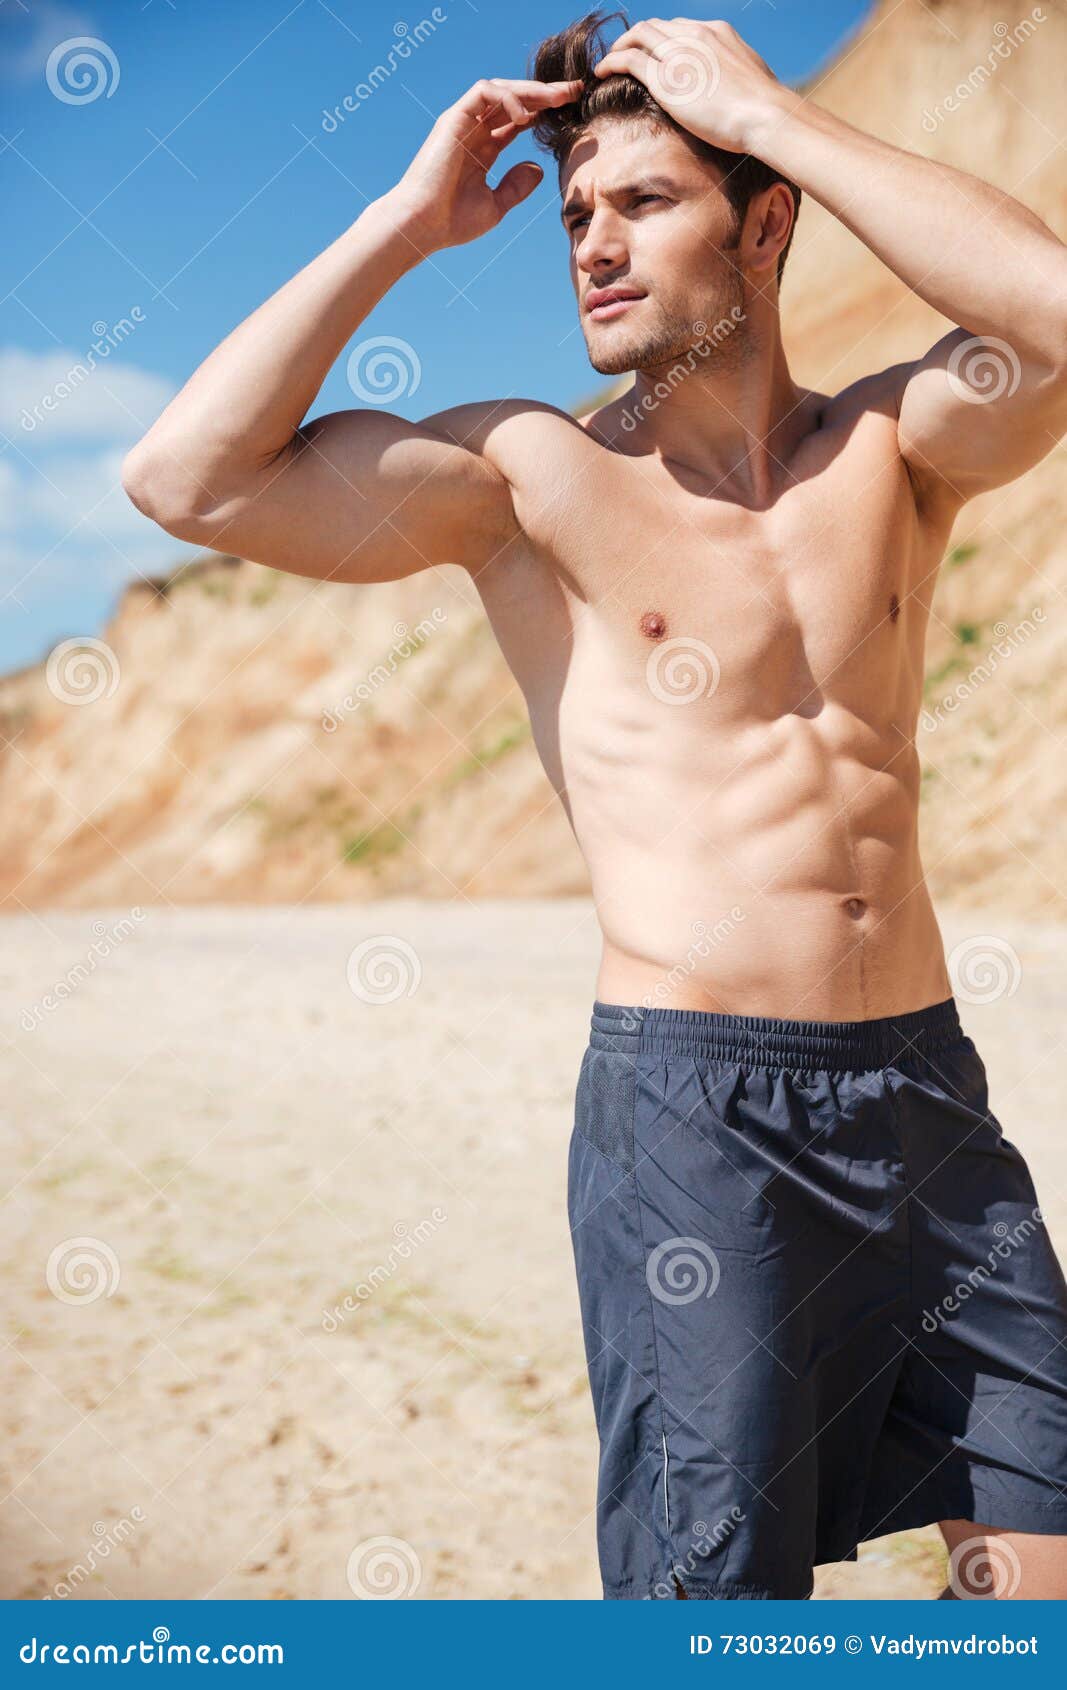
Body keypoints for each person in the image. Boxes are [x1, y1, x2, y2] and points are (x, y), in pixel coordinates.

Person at [123, 11, 1067, 1601]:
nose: (593, 246)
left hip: (925, 1097)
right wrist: (404, 227)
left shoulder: (893, 448)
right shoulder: (531, 481)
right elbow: (186, 481)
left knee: (1039, 1558)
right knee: (712, 1599)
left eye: (644, 203)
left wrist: (778, 117)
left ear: (762, 224)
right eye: (575, 215)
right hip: (699, 1124)